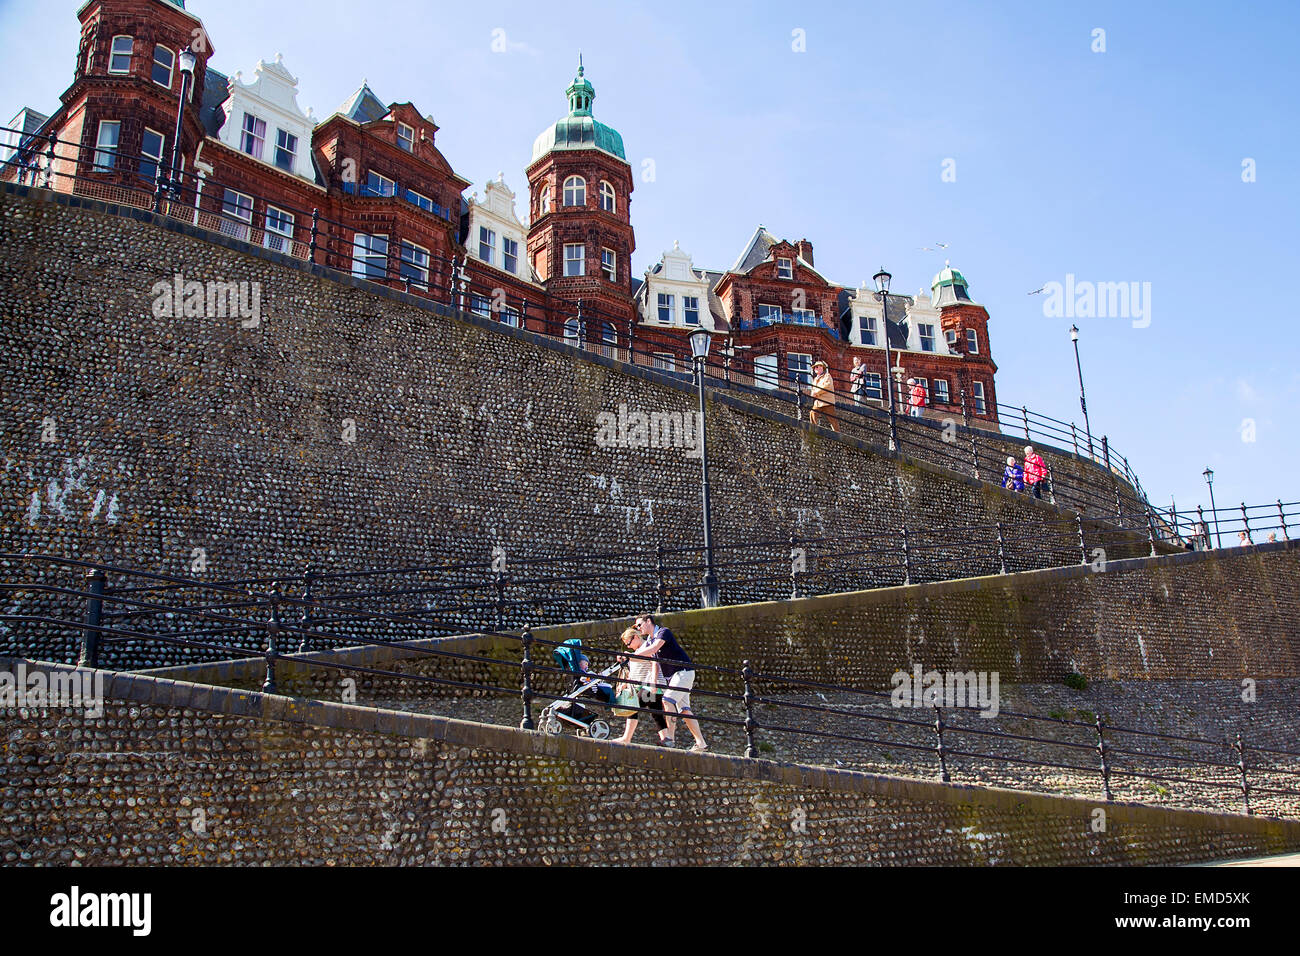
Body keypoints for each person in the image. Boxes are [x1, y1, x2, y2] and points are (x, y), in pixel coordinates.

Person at [634, 612, 707, 752]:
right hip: (674, 678)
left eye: (639, 625)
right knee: (685, 711)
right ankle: (701, 743)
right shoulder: (649, 640)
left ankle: (670, 739)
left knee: (667, 701)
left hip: (683, 672)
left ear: (648, 621)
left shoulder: (663, 632)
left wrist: (633, 655)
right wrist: (653, 683)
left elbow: (654, 649)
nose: (638, 628)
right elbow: (653, 661)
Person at [613, 626, 670, 745]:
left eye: (629, 643)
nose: (628, 646)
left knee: (632, 706)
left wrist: (653, 682)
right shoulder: (637, 652)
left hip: (651, 686)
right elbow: (634, 674)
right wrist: (625, 684)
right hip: (650, 687)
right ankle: (667, 740)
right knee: (656, 714)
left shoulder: (646, 647)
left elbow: (655, 663)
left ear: (636, 637)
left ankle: (626, 738)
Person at [807, 359, 839, 433]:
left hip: (827, 401)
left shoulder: (827, 376)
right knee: (813, 413)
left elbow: (827, 386)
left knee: (832, 419)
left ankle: (837, 433)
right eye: (815, 367)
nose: (816, 368)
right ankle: (814, 429)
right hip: (818, 402)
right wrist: (812, 394)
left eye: (817, 367)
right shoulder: (815, 379)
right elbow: (813, 389)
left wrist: (817, 392)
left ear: (822, 367)